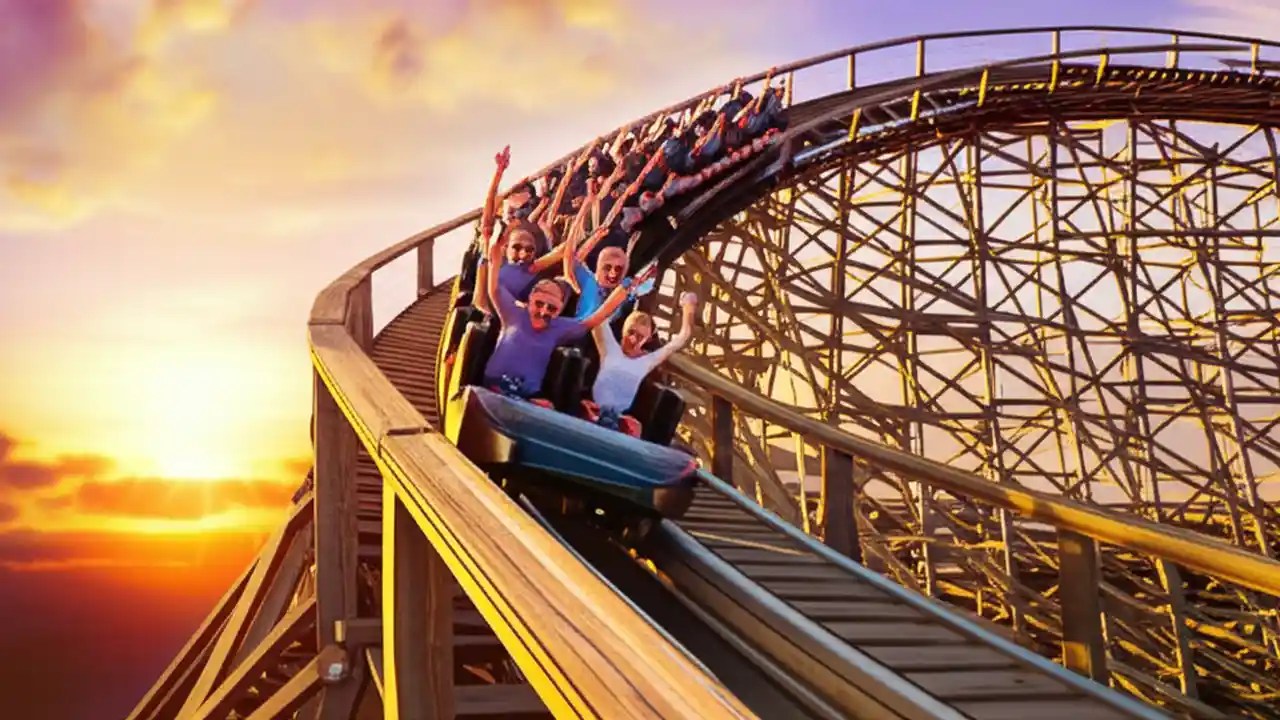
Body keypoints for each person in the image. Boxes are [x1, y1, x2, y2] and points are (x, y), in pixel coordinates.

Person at [481, 226, 631, 404]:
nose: (544, 311)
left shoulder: (559, 328)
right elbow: (494, 287)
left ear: (559, 310)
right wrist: (495, 248)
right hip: (496, 386)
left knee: (548, 405)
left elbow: (596, 318)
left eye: (551, 308)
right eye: (539, 304)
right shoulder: (513, 313)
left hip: (526, 397)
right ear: (530, 300)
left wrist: (624, 290)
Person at [583, 292, 700, 437]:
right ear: (624, 330)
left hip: (619, 419)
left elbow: (682, 338)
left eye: (640, 337)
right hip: (593, 410)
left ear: (647, 339)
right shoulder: (609, 348)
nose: (633, 339)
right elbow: (597, 312)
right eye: (631, 332)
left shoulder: (646, 362)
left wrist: (688, 307)